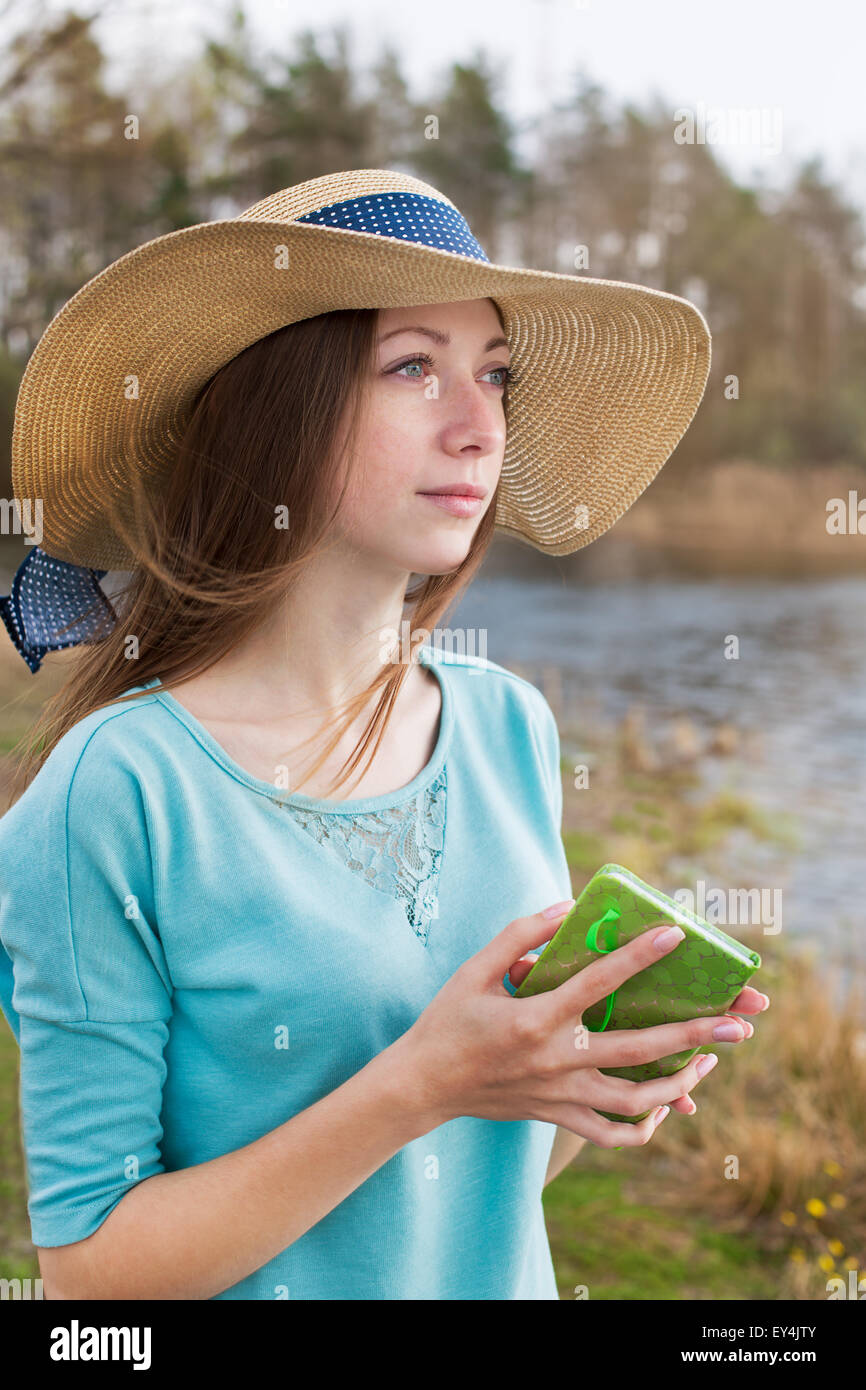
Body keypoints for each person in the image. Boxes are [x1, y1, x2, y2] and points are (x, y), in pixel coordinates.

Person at [0, 169, 768, 1300]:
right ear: (272, 411)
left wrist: (579, 1081)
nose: (478, 426)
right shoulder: (112, 793)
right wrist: (418, 1082)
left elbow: (473, 1182)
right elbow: (89, 1276)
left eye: (493, 375)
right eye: (414, 368)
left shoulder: (509, 723)